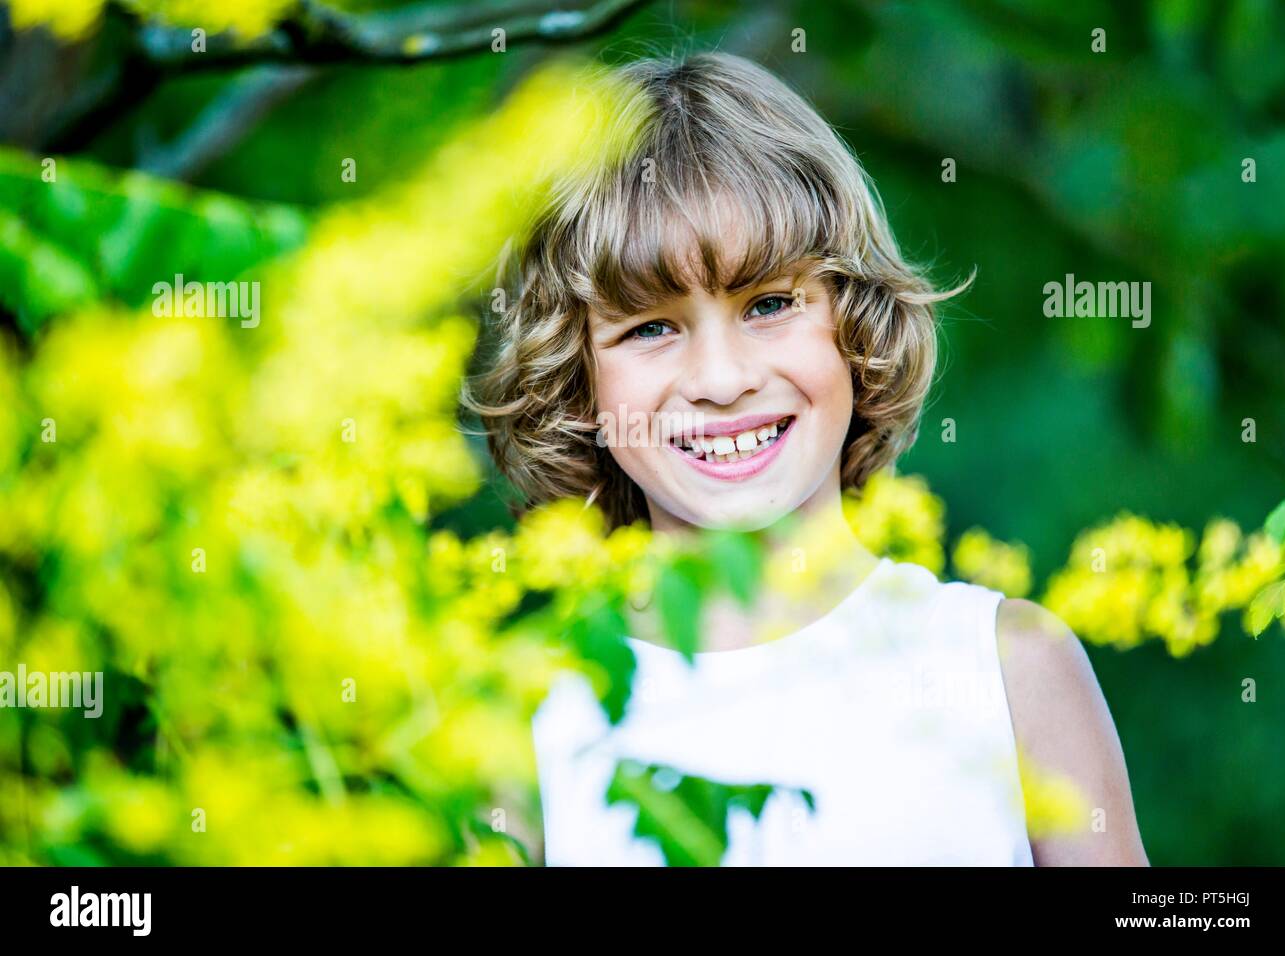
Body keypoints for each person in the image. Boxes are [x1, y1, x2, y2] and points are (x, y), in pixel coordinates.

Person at [464, 51, 1148, 866]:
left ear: (854, 326)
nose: (723, 380)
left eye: (769, 305)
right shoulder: (521, 721)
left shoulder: (1011, 668)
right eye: (649, 327)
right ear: (578, 383)